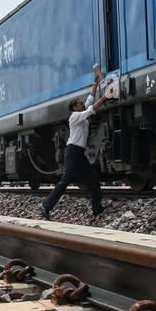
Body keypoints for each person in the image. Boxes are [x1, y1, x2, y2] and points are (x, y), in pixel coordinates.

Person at [42, 66, 110, 220]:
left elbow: (90, 100)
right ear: (75, 107)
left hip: (79, 154)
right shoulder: (75, 116)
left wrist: (96, 83)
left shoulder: (80, 113)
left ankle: (97, 209)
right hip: (72, 153)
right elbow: (91, 108)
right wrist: (105, 97)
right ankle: (46, 206)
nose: (82, 104)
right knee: (65, 181)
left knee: (93, 178)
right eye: (80, 103)